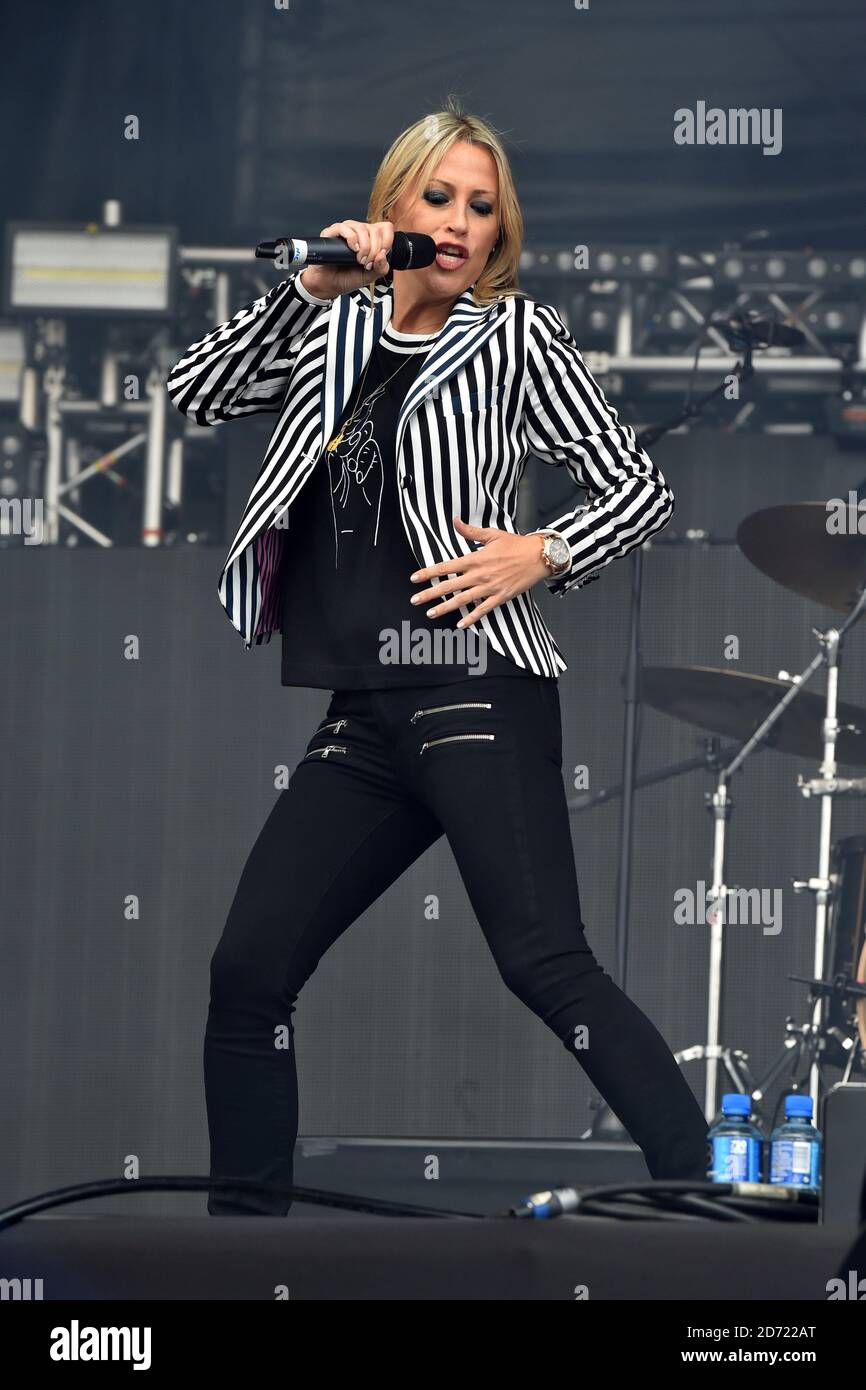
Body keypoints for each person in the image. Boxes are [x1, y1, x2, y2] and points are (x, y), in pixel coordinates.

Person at [167, 99, 709, 1215]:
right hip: (366, 713)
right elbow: (195, 392)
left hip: (473, 688)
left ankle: (703, 1199)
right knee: (247, 971)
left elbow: (638, 487)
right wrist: (310, 287)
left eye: (481, 205)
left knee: (542, 963)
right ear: (391, 207)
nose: (460, 221)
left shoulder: (513, 337)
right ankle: (238, 1247)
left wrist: (540, 551)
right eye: (439, 197)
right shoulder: (335, 324)